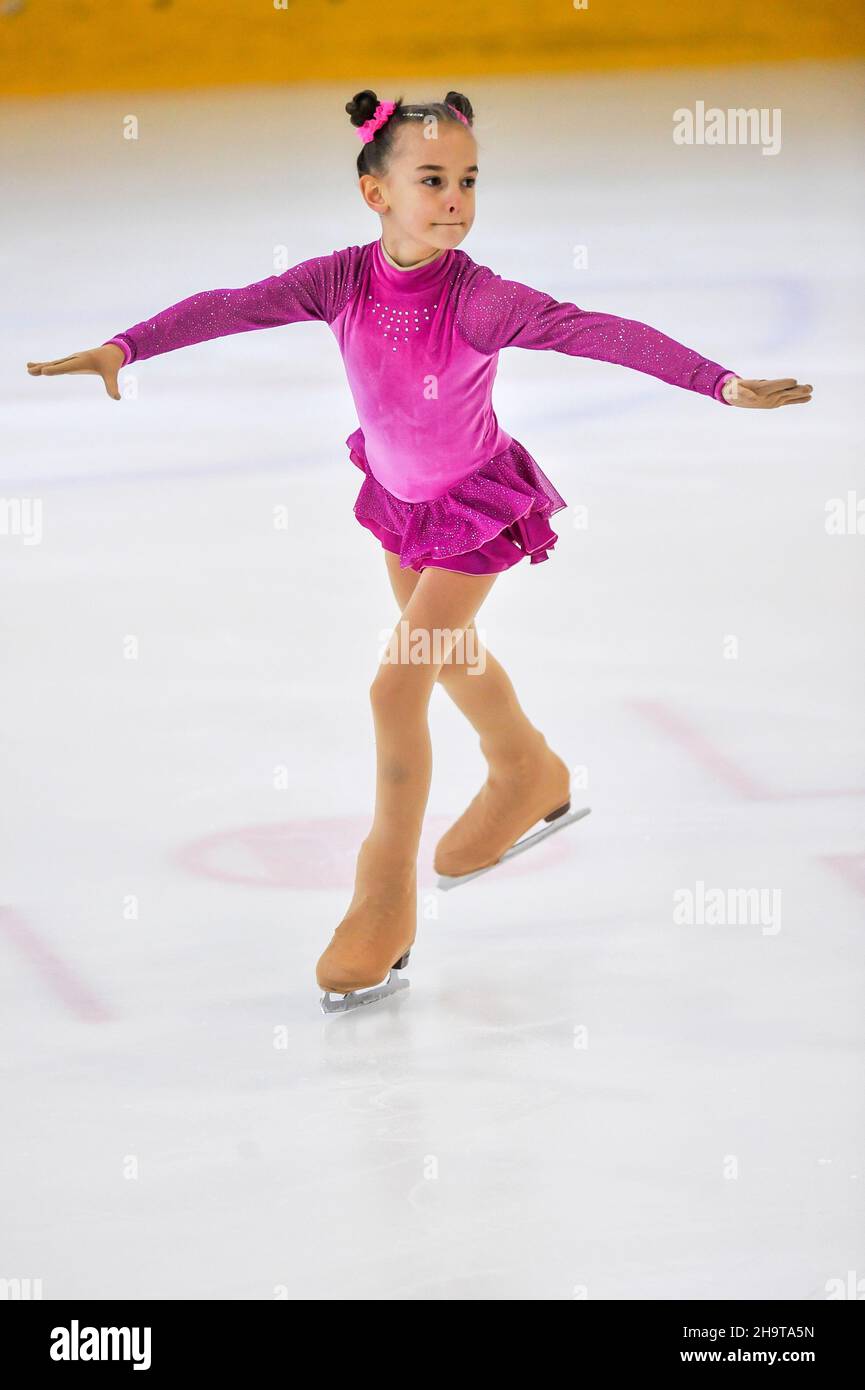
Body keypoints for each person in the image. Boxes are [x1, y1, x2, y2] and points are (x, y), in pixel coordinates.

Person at [26, 89, 813, 1012]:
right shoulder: (339, 281)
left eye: (468, 181)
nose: (455, 200)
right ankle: (527, 770)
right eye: (432, 180)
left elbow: (597, 332)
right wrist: (129, 345)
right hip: (400, 503)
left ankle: (382, 896)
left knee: (395, 682)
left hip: (474, 512)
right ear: (376, 194)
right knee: (445, 659)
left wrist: (717, 383)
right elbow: (233, 307)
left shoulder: (480, 301)